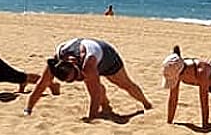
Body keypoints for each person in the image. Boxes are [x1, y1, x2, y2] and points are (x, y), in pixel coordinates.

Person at [24, 37, 152, 118]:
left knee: (125, 84)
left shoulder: (88, 65)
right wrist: (28, 109)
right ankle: (107, 107)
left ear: (74, 64)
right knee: (96, 86)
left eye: (76, 77)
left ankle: (146, 104)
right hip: (89, 58)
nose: (79, 80)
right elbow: (41, 85)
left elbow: (94, 96)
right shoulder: (57, 62)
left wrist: (92, 118)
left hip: (108, 58)